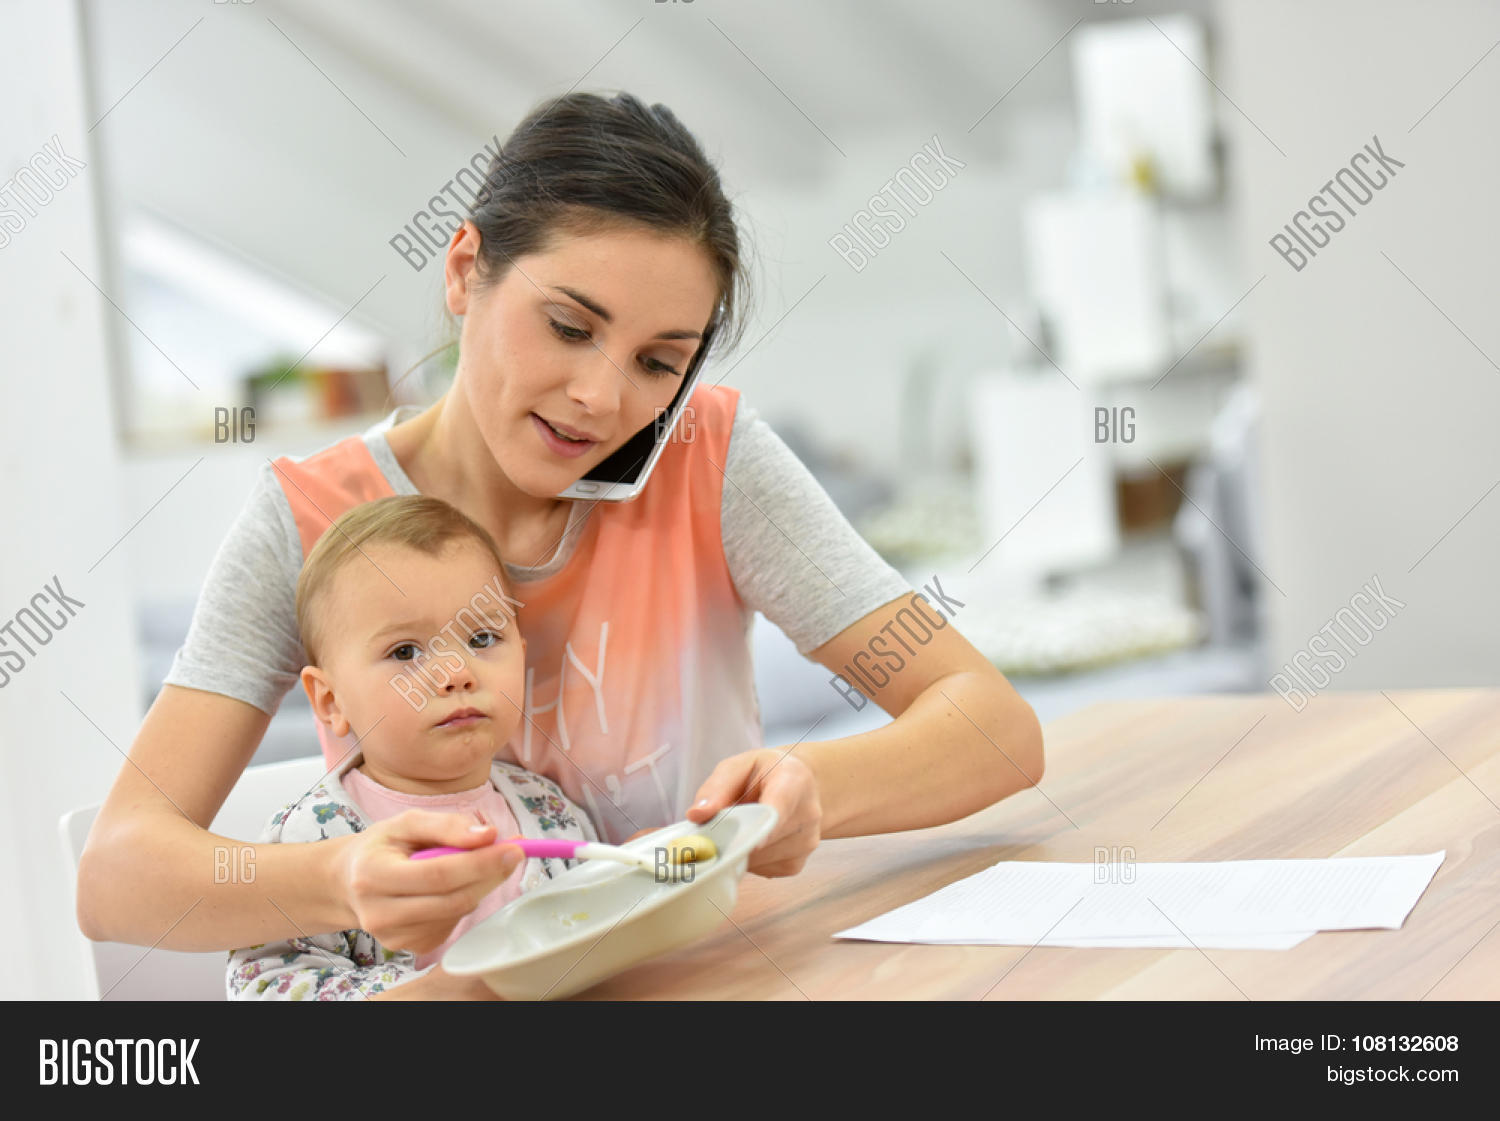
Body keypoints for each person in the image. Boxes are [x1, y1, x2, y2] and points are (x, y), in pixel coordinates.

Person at [77, 91, 1044, 988]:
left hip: (710, 983)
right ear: (465, 271)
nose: (603, 399)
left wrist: (807, 785)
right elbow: (118, 871)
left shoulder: (709, 458)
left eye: (658, 361)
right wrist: (340, 878)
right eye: (569, 326)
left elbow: (993, 728)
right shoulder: (307, 520)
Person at [227, 495, 594, 1000]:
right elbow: (264, 985)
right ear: (331, 701)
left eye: (483, 638)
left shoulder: (550, 811)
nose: (457, 674)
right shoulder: (312, 838)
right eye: (405, 651)